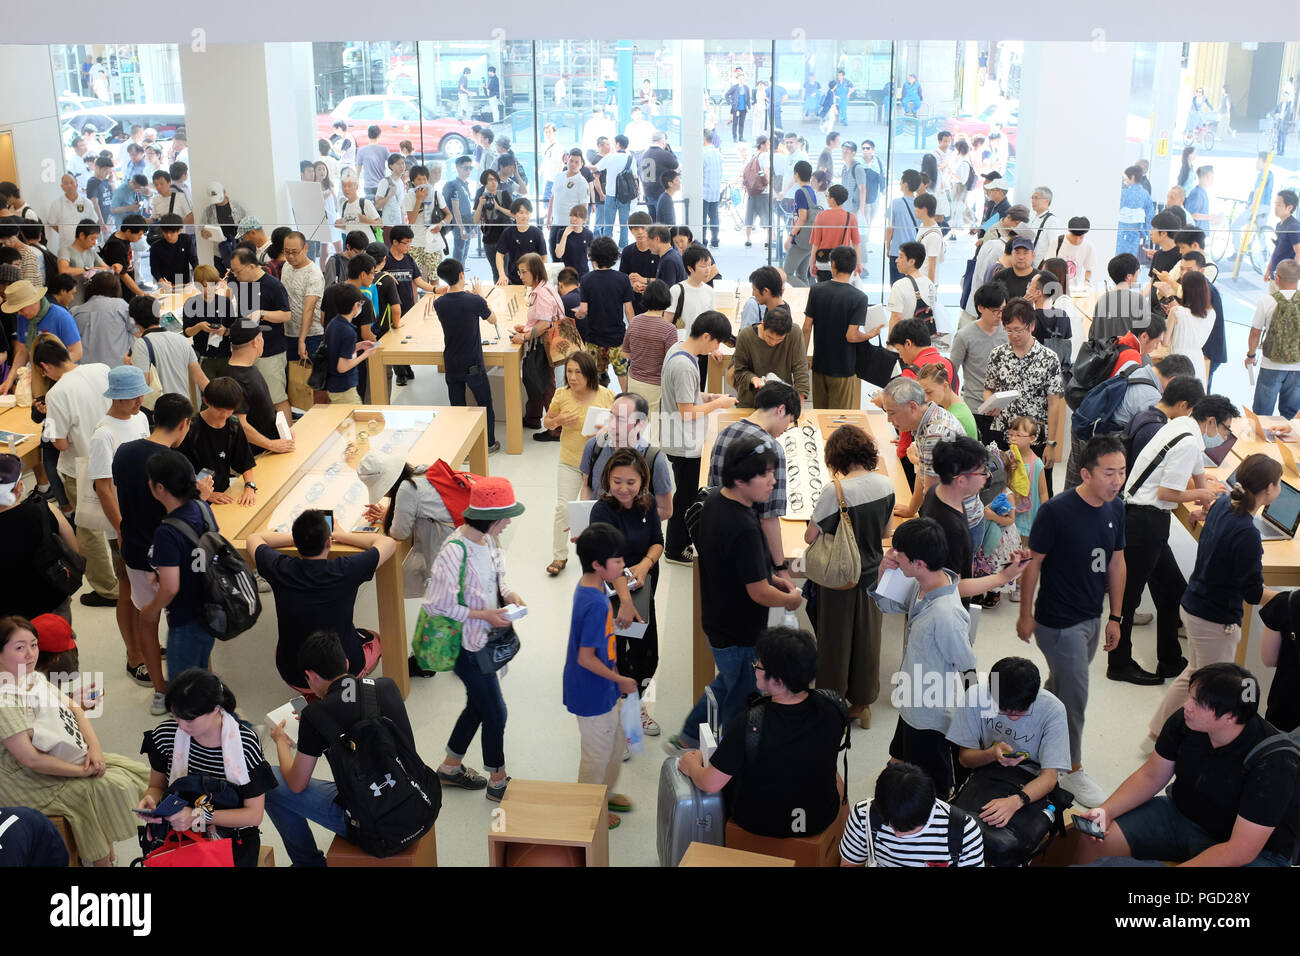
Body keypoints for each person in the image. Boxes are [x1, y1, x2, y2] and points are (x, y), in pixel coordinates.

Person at [1078, 663, 1300, 868]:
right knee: (1095, 838)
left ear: (1230, 716)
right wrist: (1106, 811)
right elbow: (1151, 776)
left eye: (1198, 703)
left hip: (1250, 850)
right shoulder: (1187, 721)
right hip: (1182, 815)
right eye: (1190, 697)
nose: (1187, 706)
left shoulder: (1275, 763)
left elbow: (1240, 850)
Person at [664, 435, 802, 753]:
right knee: (739, 697)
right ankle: (725, 759)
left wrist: (768, 577)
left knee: (726, 682)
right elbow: (759, 593)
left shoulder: (714, 500)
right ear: (741, 479)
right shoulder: (744, 527)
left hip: (718, 622)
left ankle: (686, 736)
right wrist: (789, 599)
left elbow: (742, 570)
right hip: (741, 633)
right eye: (764, 474)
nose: (772, 481)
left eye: (773, 472)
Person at [1015, 435, 1128, 808]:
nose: (1117, 480)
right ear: (1085, 473)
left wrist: (1115, 616)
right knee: (1075, 699)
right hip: (1059, 623)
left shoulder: (1116, 509)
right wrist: (1025, 613)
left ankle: (1032, 742)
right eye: (1109, 472)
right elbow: (1034, 563)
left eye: (1122, 471)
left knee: (1060, 689)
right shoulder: (1057, 511)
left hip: (1092, 617)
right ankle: (1071, 768)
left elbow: (1116, 562)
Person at [264, 629, 434, 866]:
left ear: (310, 675)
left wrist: (281, 742)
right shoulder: (385, 687)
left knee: (268, 782)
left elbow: (296, 783)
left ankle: (308, 863)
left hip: (373, 824)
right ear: (345, 663)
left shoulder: (315, 715)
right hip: (419, 801)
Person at [1145, 455, 1280, 744]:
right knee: (1211, 686)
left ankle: (1158, 732)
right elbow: (1254, 593)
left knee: (1193, 674)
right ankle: (1187, 740)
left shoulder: (1222, 504)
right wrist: (1285, 599)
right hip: (1215, 621)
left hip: (1194, 604)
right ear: (1268, 490)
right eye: (1279, 484)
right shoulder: (1247, 533)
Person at [0, 616, 151, 866]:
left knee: (127, 773)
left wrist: (96, 751)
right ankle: (103, 860)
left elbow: (74, 708)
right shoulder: (5, 699)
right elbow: (30, 759)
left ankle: (106, 853)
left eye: (34, 645)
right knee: (102, 788)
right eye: (19, 647)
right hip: (25, 780)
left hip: (59, 755)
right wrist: (82, 771)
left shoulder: (31, 677)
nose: (30, 654)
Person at [678, 626, 847, 840]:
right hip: (819, 816)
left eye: (758, 665)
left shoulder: (749, 723)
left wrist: (691, 766)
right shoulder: (833, 707)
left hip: (761, 822)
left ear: (776, 680)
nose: (755, 668)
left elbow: (711, 784)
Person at [1112, 395, 1235, 686]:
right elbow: (1167, 492)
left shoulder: (1183, 424)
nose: (1226, 436)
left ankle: (1169, 659)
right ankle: (1118, 663)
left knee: (1172, 591)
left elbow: (1197, 471)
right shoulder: (1190, 441)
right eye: (1226, 429)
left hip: (1147, 519)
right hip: (1144, 521)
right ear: (1210, 422)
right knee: (1128, 598)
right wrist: (1201, 496)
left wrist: (1205, 502)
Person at [423, 477, 526, 802]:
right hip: (467, 648)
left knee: (478, 705)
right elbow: (437, 604)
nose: (509, 521)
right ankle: (498, 780)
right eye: (506, 516)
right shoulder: (454, 553)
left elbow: (499, 575)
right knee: (497, 713)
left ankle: (450, 767)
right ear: (490, 518)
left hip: (484, 641)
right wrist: (485, 616)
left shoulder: (489, 542)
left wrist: (509, 593)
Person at [870, 516, 974, 797]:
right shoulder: (922, 582)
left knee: (930, 779)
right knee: (901, 752)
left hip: (930, 708)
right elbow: (889, 605)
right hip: (911, 695)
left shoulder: (946, 614)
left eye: (898, 554)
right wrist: (884, 570)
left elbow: (967, 666)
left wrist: (973, 715)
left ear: (919, 563)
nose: (893, 556)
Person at [138, 668, 276, 868]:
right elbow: (157, 786)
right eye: (175, 716)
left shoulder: (244, 744)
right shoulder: (165, 736)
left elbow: (254, 815)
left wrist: (196, 815)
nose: (181, 726)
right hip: (178, 833)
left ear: (215, 708)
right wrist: (151, 800)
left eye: (189, 719)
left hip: (232, 837)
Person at [804, 424, 895, 724]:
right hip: (873, 576)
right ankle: (863, 704)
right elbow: (887, 532)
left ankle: (832, 700)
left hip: (841, 576)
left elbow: (809, 537)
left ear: (836, 458)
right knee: (868, 639)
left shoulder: (836, 491)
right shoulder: (885, 485)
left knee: (835, 641)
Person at [247, 509, 394, 693]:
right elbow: (387, 543)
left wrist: (298, 538)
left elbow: (254, 539)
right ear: (328, 542)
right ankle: (343, 689)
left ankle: (312, 693)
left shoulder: (280, 568)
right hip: (345, 668)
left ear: (297, 543)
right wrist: (340, 534)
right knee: (374, 638)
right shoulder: (347, 569)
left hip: (293, 673)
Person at [947, 656, 1072, 856]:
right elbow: (964, 759)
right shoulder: (975, 697)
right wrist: (991, 754)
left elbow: (1049, 777)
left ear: (1034, 697)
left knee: (1010, 846)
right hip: (990, 771)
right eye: (1004, 709)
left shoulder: (1052, 710)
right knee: (958, 831)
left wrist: (1016, 801)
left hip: (1033, 779)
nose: (1012, 717)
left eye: (1020, 711)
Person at [564, 522, 639, 829]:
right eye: (618, 561)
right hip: (591, 692)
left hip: (606, 685)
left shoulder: (592, 587)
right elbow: (585, 657)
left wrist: (615, 672)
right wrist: (619, 680)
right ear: (598, 565)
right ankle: (587, 809)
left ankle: (605, 794)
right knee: (596, 756)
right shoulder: (594, 603)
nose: (623, 566)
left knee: (616, 745)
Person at [33, 335, 115, 607]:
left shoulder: (57, 392)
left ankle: (107, 589)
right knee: (120, 514)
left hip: (82, 464)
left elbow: (60, 442)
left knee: (90, 530)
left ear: (45, 366)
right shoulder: (100, 368)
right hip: (115, 454)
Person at [588, 448, 664, 733]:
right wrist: (624, 602)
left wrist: (644, 566)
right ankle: (616, 716)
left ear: (642, 480)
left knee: (649, 655)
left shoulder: (648, 504)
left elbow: (658, 541)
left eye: (630, 482)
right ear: (607, 479)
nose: (623, 488)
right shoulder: (602, 510)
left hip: (642, 592)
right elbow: (611, 559)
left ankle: (634, 702)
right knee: (614, 655)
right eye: (617, 481)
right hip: (610, 595)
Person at [658, 311, 738, 563]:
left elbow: (688, 397)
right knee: (685, 497)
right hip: (684, 441)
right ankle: (675, 548)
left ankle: (679, 542)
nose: (717, 349)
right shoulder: (684, 365)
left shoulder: (680, 349)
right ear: (706, 336)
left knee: (686, 493)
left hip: (680, 435)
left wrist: (708, 397)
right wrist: (719, 404)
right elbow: (686, 412)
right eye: (717, 343)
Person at [706, 381, 799, 571]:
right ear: (781, 410)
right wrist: (781, 567)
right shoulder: (772, 449)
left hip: (716, 538)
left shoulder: (725, 432)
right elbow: (769, 517)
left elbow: (712, 489)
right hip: (750, 547)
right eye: (789, 422)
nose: (784, 431)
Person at [543, 350, 616, 576]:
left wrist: (603, 432)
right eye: (569, 372)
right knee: (563, 508)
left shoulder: (606, 395)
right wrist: (558, 420)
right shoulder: (561, 394)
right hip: (569, 462)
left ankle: (599, 555)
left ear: (589, 374)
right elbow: (547, 422)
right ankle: (559, 555)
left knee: (599, 510)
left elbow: (620, 427)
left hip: (598, 466)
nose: (573, 377)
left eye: (578, 372)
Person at [982, 297, 1065, 488]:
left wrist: (1051, 444)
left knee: (1038, 489)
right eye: (1009, 330)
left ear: (1031, 326)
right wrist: (990, 403)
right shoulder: (998, 355)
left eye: (1018, 330)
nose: (1013, 335)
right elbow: (988, 389)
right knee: (1001, 489)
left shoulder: (1049, 358)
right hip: (1003, 434)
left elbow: (1054, 404)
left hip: (1033, 438)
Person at [840, 761, 984, 867]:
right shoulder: (864, 816)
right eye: (889, 823)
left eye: (909, 828)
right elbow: (850, 863)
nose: (897, 834)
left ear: (929, 810)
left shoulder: (963, 831)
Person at [432, 258, 500, 454]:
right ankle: (488, 444)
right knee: (484, 402)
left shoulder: (440, 304)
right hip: (473, 363)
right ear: (462, 275)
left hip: (451, 362)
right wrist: (481, 296)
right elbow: (492, 319)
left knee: (457, 406)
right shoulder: (475, 301)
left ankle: (463, 447)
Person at [0, 455, 78, 622]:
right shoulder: (43, 509)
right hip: (51, 602)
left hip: (8, 618)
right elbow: (73, 550)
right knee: (59, 646)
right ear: (18, 487)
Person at [578, 392, 673, 519]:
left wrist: (630, 523)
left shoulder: (653, 459)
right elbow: (587, 486)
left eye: (621, 419)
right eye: (612, 416)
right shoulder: (594, 446)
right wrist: (585, 516)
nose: (612, 424)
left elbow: (666, 510)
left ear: (640, 424)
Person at [881, 376, 963, 519]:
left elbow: (932, 494)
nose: (889, 420)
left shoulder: (935, 433)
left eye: (892, 413)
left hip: (954, 519)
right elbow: (924, 471)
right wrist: (911, 510)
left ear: (913, 406)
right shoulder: (928, 418)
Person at [803, 245, 869, 409]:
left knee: (819, 414)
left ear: (832, 265)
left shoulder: (816, 290)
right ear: (854, 268)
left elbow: (806, 327)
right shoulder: (859, 297)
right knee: (838, 420)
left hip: (820, 364)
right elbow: (852, 336)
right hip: (843, 367)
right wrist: (870, 334)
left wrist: (803, 357)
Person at [178, 377, 258, 506]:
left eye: (230, 409)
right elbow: (179, 472)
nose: (224, 414)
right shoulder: (190, 428)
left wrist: (250, 486)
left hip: (224, 492)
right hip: (193, 498)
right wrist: (206, 494)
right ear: (206, 401)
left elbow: (245, 462)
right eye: (219, 409)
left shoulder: (234, 425)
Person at [127, 296, 207, 403]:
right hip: (185, 406)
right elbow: (201, 380)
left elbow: (142, 385)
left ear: (135, 321)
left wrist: (129, 366)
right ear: (159, 316)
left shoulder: (141, 345)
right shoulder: (181, 340)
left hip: (162, 410)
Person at [1246, 260, 1300, 417]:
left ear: (1277, 278)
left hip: (1271, 365)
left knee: (1262, 414)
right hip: (1297, 367)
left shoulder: (1267, 301)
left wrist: (1250, 355)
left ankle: (1264, 440)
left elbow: (1255, 332)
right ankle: (1287, 441)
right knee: (1291, 416)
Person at [731, 304, 811, 408]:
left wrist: (799, 403)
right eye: (769, 337)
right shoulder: (745, 336)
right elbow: (739, 371)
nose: (773, 343)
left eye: (779, 340)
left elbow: (800, 368)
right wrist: (753, 379)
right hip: (751, 402)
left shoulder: (794, 333)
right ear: (763, 324)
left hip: (781, 404)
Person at [621, 279, 678, 419]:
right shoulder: (669, 329)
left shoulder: (634, 321)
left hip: (634, 381)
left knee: (634, 424)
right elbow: (672, 362)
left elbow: (625, 353)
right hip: (656, 386)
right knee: (654, 430)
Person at [949, 282, 1008, 413]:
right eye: (995, 311)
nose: (1000, 315)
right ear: (981, 308)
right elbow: (952, 372)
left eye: (1003, 310)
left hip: (1004, 407)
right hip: (975, 407)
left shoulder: (1008, 333)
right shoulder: (964, 336)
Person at [70, 272, 133, 369]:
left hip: (86, 371)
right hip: (119, 368)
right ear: (116, 288)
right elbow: (136, 330)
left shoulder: (75, 312)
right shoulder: (121, 306)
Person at [1091, 253, 1148, 342]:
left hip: (1104, 352)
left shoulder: (1102, 299)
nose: (1138, 274)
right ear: (1129, 276)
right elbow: (1144, 337)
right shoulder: (1139, 300)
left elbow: (1092, 334)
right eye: (1138, 271)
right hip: (1128, 353)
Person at [885, 241, 937, 332]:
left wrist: (890, 343)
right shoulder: (929, 283)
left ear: (912, 261)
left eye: (901, 257)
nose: (896, 260)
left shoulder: (899, 286)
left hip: (905, 338)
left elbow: (896, 317)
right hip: (923, 337)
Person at [916, 363, 976, 438]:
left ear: (945, 385)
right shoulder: (956, 407)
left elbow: (949, 449)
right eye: (923, 393)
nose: (926, 398)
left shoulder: (955, 418)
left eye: (929, 392)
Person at [1264, 190, 1300, 282]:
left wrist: (1292, 277)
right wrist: (1268, 269)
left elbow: (1298, 253)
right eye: (1275, 204)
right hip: (1275, 275)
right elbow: (1276, 250)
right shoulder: (1279, 225)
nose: (1275, 207)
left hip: (1285, 279)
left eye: (1279, 205)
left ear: (1289, 207)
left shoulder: (1294, 227)